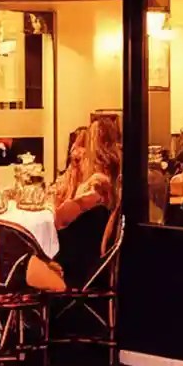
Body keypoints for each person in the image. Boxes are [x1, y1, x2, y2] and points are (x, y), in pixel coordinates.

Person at [46, 118, 122, 288]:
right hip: (90, 255)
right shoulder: (113, 179)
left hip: (80, 262)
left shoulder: (98, 185)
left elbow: (60, 218)